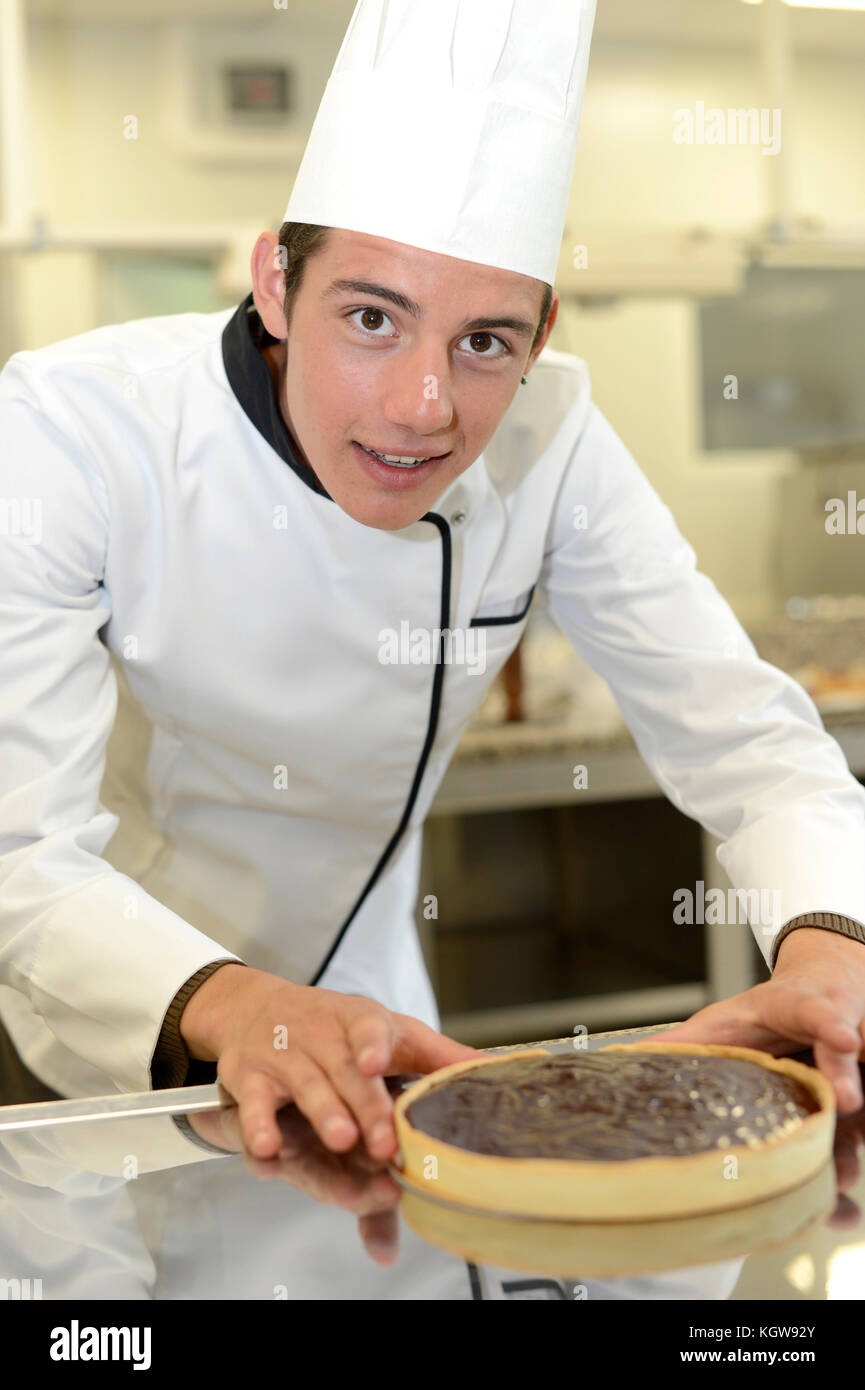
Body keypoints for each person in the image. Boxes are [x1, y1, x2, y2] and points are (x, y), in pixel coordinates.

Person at [1, 0, 865, 1300]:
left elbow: (751, 741)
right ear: (276, 280)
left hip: (380, 1049)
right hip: (102, 1044)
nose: (422, 405)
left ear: (542, 332)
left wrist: (827, 942)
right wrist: (231, 1003)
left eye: (483, 342)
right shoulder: (71, 437)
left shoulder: (553, 439)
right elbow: (18, 847)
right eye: (369, 318)